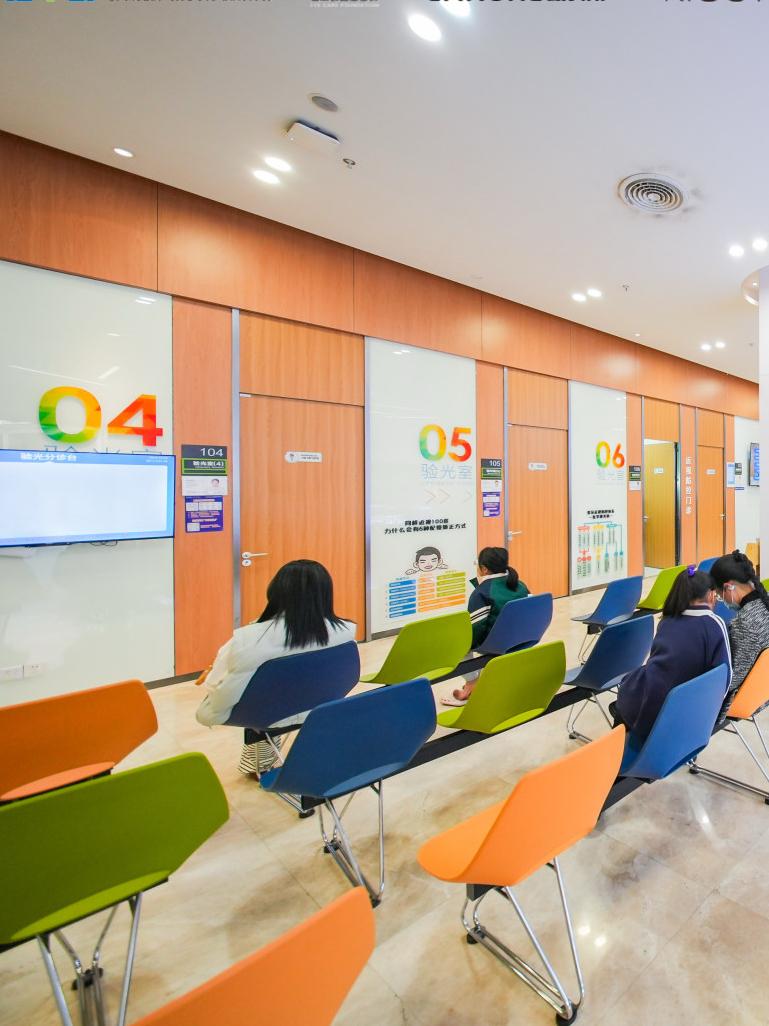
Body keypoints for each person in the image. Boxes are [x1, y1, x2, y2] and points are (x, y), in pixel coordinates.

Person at [195, 559, 356, 775]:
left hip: (266, 713)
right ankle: (258, 762)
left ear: (275, 591)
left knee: (253, 693)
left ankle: (260, 764)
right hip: (318, 705)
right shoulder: (345, 631)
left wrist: (212, 678)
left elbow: (221, 694)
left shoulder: (248, 639)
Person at [613, 566, 731, 743]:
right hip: (676, 711)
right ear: (711, 595)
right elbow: (725, 676)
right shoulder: (714, 623)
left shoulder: (667, 620)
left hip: (640, 700)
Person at [442, 547, 529, 705]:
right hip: (522, 637)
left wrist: (462, 642)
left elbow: (475, 630)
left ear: (484, 569)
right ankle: (479, 683)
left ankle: (472, 684)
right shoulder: (520, 585)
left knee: (457, 645)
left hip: (496, 642)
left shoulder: (482, 592)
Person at [710, 550, 769, 705]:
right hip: (764, 689)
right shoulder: (765, 601)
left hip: (746, 699)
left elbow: (732, 681)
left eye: (719, 595)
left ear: (729, 587)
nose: (721, 600)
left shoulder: (744, 623)